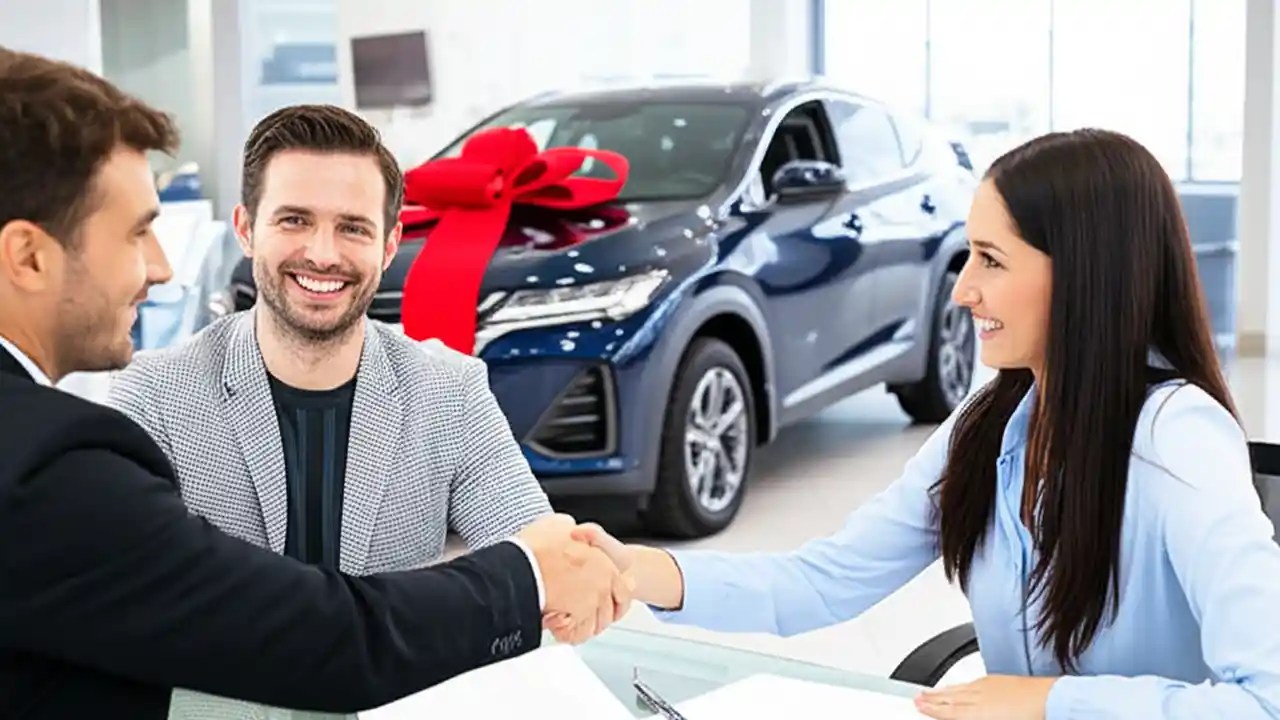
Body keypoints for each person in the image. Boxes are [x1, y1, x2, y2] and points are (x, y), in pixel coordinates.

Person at [0, 47, 627, 719]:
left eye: (352, 227)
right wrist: (527, 577)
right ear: (247, 230)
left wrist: (595, 572)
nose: (162, 268)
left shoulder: (448, 388)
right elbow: (310, 635)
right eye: (138, 232)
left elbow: (559, 557)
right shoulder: (84, 441)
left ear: (389, 245)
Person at [566, 130, 1280, 719]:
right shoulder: (990, 423)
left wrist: (1051, 702)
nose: (964, 290)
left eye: (991, 260)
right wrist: (641, 572)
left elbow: (1266, 697)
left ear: (1085, 274)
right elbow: (825, 579)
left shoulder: (1177, 440)